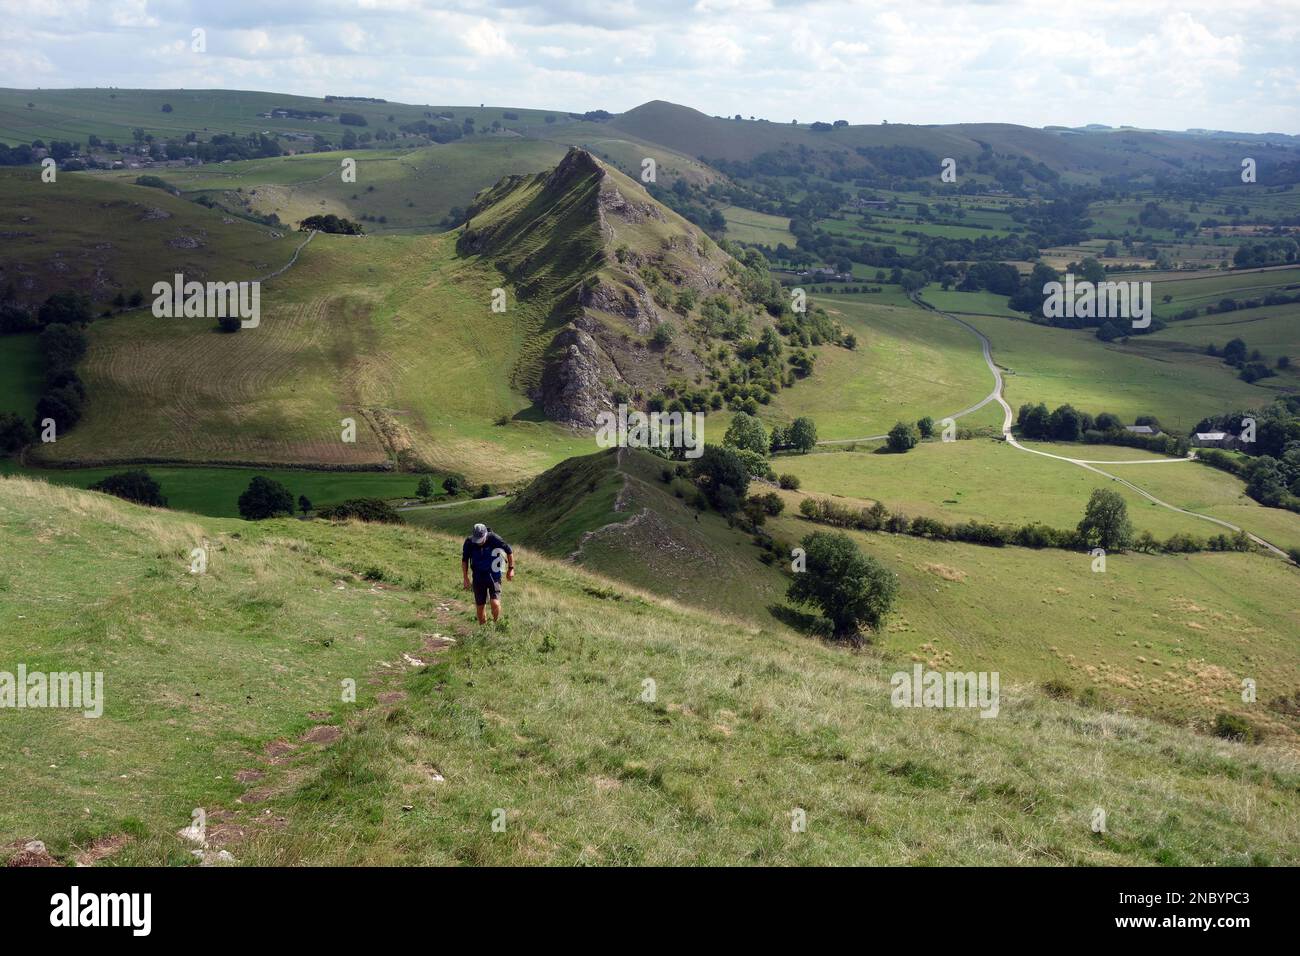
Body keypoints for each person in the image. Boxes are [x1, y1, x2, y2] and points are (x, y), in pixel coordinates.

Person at [461, 522, 514, 623]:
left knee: (495, 603)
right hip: (478, 577)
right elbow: (465, 560)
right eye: (477, 540)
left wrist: (511, 569)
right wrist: (465, 577)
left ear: (485, 534)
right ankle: (483, 630)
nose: (479, 542)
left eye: (481, 540)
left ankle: (495, 623)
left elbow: (509, 551)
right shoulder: (469, 542)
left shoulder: (494, 538)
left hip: (494, 575)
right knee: (480, 607)